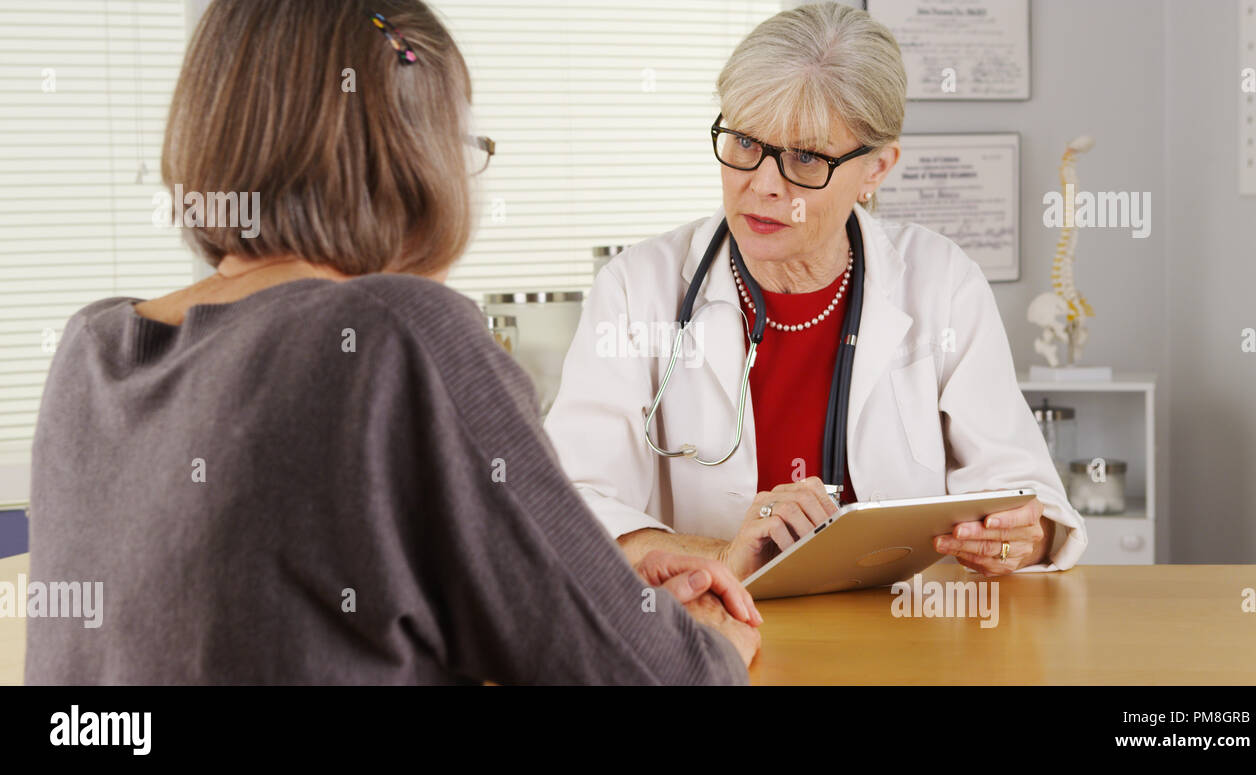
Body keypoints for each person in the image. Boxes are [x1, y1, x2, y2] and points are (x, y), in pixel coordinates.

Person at [25, 0, 758, 685]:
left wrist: (596, 582)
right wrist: (714, 639)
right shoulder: (399, 330)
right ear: (415, 156)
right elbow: (651, 671)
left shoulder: (92, 351)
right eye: (463, 146)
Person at [544, 2, 1088, 582]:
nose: (765, 186)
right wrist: (721, 556)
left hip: (903, 642)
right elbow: (569, 509)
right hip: (707, 637)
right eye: (744, 143)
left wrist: (1018, 540)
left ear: (877, 168)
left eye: (805, 157)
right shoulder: (636, 290)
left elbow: (1032, 508)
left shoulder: (942, 284)